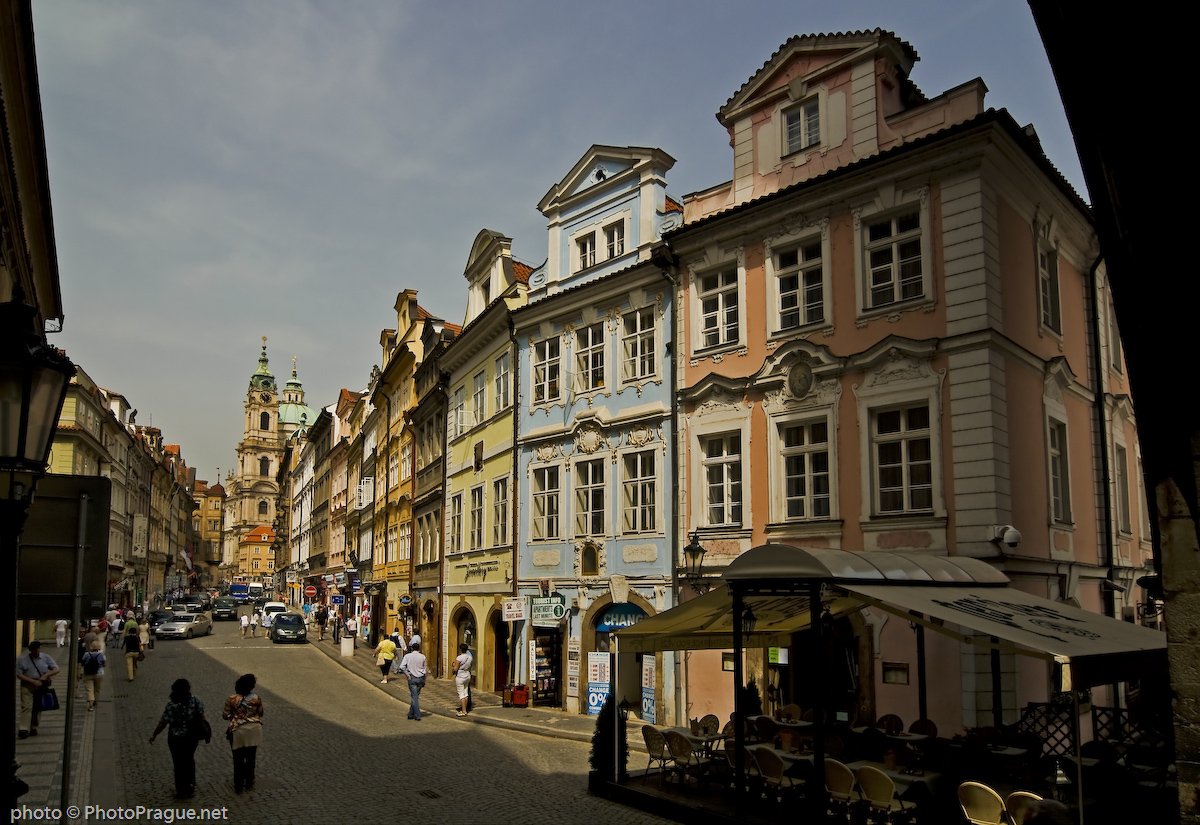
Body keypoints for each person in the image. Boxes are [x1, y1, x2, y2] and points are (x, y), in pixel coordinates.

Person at [149, 678, 210, 799]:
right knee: (189, 759)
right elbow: (202, 717)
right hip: (191, 736)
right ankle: (190, 784)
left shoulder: (171, 704)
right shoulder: (196, 701)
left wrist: (154, 734)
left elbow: (163, 722)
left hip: (175, 738)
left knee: (178, 762)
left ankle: (180, 788)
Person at [221, 673, 265, 793]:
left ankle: (238, 784)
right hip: (254, 729)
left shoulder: (232, 699)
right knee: (251, 757)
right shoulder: (256, 698)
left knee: (238, 758)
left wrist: (236, 716)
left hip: (238, 730)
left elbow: (225, 715)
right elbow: (260, 713)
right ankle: (249, 781)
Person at [16, 640, 60, 738]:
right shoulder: (23, 660)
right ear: (30, 650)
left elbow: (56, 669)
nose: (36, 651)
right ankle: (23, 729)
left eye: (38, 649)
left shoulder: (46, 657)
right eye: (34, 650)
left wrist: (47, 675)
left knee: (37, 707)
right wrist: (32, 681)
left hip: (41, 685)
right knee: (26, 707)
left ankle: (33, 727)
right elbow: (19, 674)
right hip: (27, 685)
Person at [398, 641, 427, 721]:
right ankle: (411, 713)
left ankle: (417, 714)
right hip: (420, 678)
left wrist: (407, 675)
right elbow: (425, 670)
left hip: (412, 678)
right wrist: (424, 680)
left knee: (414, 697)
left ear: (412, 648)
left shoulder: (407, 656)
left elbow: (402, 667)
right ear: (419, 649)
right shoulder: (423, 657)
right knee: (415, 696)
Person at [80, 639, 106, 711]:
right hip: (99, 674)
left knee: (89, 690)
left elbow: (83, 662)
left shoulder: (86, 654)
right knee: (97, 689)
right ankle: (95, 702)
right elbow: (104, 664)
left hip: (88, 674)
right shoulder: (101, 655)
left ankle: (91, 705)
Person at [454, 643, 474, 717]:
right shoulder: (470, 657)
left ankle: (463, 711)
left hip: (460, 676)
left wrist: (453, 666)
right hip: (467, 675)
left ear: (460, 649)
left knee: (461, 694)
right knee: (466, 693)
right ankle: (464, 709)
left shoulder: (459, 658)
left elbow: (455, 668)